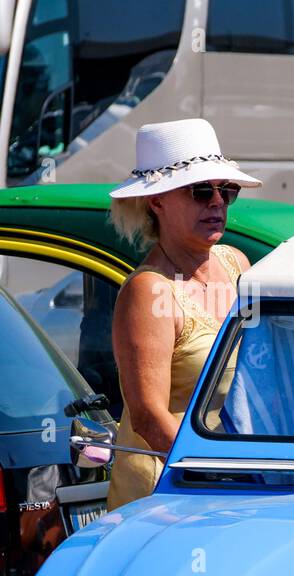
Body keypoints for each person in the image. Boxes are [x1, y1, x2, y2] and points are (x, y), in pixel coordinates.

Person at [106, 118, 261, 509]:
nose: (217, 202)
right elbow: (148, 418)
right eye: (200, 191)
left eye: (226, 191)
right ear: (156, 201)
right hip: (168, 494)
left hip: (228, 480)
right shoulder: (148, 290)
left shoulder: (235, 263)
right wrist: (220, 472)